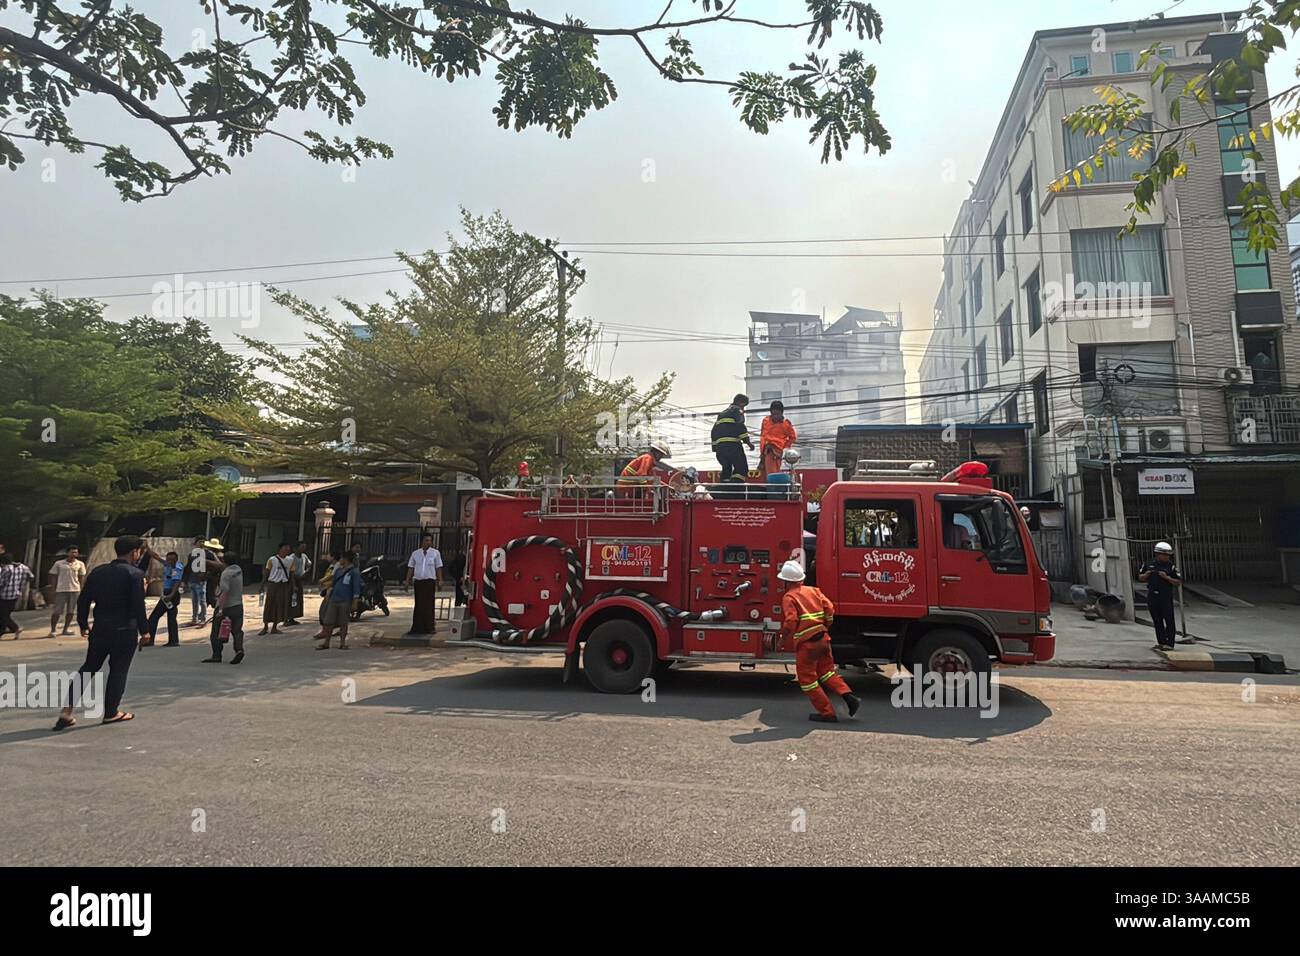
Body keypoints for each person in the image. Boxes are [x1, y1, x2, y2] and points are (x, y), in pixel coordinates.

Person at [52, 536, 150, 730]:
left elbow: (84, 599)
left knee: (88, 668)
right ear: (134, 552)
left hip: (100, 628)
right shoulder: (135, 574)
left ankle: (66, 711)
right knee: (118, 670)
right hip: (125, 630)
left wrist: (82, 623)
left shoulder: (98, 572)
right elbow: (138, 605)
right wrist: (145, 631)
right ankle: (111, 713)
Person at [775, 560, 860, 723]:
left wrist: (781, 640)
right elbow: (829, 609)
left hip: (807, 644)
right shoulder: (814, 591)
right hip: (823, 638)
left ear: (786, 581)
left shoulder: (789, 596)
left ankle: (827, 712)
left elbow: (791, 621)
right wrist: (825, 625)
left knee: (807, 680)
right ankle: (849, 697)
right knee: (827, 673)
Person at [202, 551, 246, 664]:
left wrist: (220, 609)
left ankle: (217, 655)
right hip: (238, 605)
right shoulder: (238, 570)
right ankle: (239, 650)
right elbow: (221, 565)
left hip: (226, 606)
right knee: (237, 631)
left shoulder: (225, 574)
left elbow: (224, 593)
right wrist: (208, 561)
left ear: (224, 561)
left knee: (216, 632)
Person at [1138, 541, 1184, 650]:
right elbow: (1140, 577)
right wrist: (1146, 574)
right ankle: (1161, 642)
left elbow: (1178, 582)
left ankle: (1170, 643)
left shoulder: (1171, 567)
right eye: (1165, 555)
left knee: (1169, 619)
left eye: (1168, 555)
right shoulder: (1149, 564)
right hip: (1152, 595)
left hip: (1165, 596)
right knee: (1157, 620)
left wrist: (1167, 577)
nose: (1167, 557)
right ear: (1158, 554)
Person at [317, 550, 363, 650]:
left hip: (345, 600)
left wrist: (355, 602)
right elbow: (333, 584)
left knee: (343, 622)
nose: (340, 560)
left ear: (346, 559)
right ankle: (326, 642)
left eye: (342, 558)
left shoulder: (354, 572)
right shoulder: (338, 571)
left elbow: (356, 588)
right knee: (329, 621)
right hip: (334, 599)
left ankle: (342, 643)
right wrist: (328, 593)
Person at [141, 551, 184, 647]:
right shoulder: (167, 565)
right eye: (168, 559)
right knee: (170, 617)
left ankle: (152, 640)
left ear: (176, 559)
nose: (169, 561)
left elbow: (177, 583)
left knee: (155, 617)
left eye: (172, 559)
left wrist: (171, 595)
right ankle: (173, 640)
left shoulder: (177, 568)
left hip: (171, 594)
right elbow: (157, 557)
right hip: (167, 593)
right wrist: (148, 549)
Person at [404, 534, 443, 636]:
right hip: (419, 582)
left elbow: (438, 567)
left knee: (429, 605)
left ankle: (429, 628)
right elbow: (411, 568)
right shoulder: (415, 554)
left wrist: (440, 581)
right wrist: (407, 581)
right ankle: (417, 628)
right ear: (422, 541)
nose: (428, 542)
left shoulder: (435, 553)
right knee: (419, 605)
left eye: (430, 540)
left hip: (430, 582)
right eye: (426, 540)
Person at [711, 393, 753, 482]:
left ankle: (724, 487)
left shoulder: (721, 414)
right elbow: (740, 425)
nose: (743, 409)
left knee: (726, 468)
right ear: (740, 403)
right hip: (733, 446)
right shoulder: (737, 411)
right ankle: (735, 488)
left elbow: (713, 431)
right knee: (741, 468)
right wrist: (748, 442)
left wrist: (715, 447)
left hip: (720, 449)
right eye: (744, 406)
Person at [47, 546, 87, 638]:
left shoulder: (80, 564)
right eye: (72, 552)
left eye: (76, 552)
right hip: (61, 589)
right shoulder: (59, 563)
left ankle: (66, 629)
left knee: (71, 611)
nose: (74, 554)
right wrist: (53, 589)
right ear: (67, 553)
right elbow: (53, 575)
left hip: (75, 589)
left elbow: (81, 577)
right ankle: (53, 630)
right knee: (57, 611)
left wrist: (81, 589)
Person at [259, 542, 294, 635]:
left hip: (283, 585)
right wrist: (262, 585)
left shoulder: (290, 560)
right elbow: (267, 572)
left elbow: (291, 574)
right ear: (280, 548)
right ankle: (265, 626)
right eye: (285, 547)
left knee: (279, 605)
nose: (287, 549)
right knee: (269, 605)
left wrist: (293, 586)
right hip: (273, 584)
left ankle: (275, 626)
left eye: (288, 547)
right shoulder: (272, 560)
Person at [181, 536, 216, 627]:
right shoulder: (192, 554)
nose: (202, 543)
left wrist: (206, 576)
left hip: (201, 581)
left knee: (202, 600)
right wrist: (185, 581)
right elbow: (188, 568)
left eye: (203, 542)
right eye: (200, 541)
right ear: (195, 543)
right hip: (192, 580)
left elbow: (216, 567)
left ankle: (203, 619)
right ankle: (194, 619)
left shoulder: (209, 554)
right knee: (194, 601)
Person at [0, 553, 36, 639]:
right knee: (5, 614)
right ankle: (13, 628)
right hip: (16, 594)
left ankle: (13, 628)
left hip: (4, 595)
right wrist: (22, 584)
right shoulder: (23, 567)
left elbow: (1, 583)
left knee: (3, 615)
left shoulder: (6, 569)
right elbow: (31, 576)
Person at [759, 401, 797, 477]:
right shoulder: (765, 420)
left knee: (772, 473)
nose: (775, 416)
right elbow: (762, 434)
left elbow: (793, 437)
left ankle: (773, 487)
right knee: (765, 473)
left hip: (776, 451)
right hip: (764, 451)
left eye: (777, 414)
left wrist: (785, 447)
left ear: (782, 413)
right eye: (773, 414)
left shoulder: (786, 424)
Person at [286, 541, 312, 626]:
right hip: (293, 579)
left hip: (300, 579)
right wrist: (293, 584)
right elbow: (290, 571)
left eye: (304, 547)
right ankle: (287, 618)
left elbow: (309, 565)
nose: (303, 549)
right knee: (290, 598)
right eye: (302, 547)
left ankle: (293, 617)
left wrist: (306, 572)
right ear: (296, 548)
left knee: (297, 599)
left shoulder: (304, 556)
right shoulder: (291, 558)